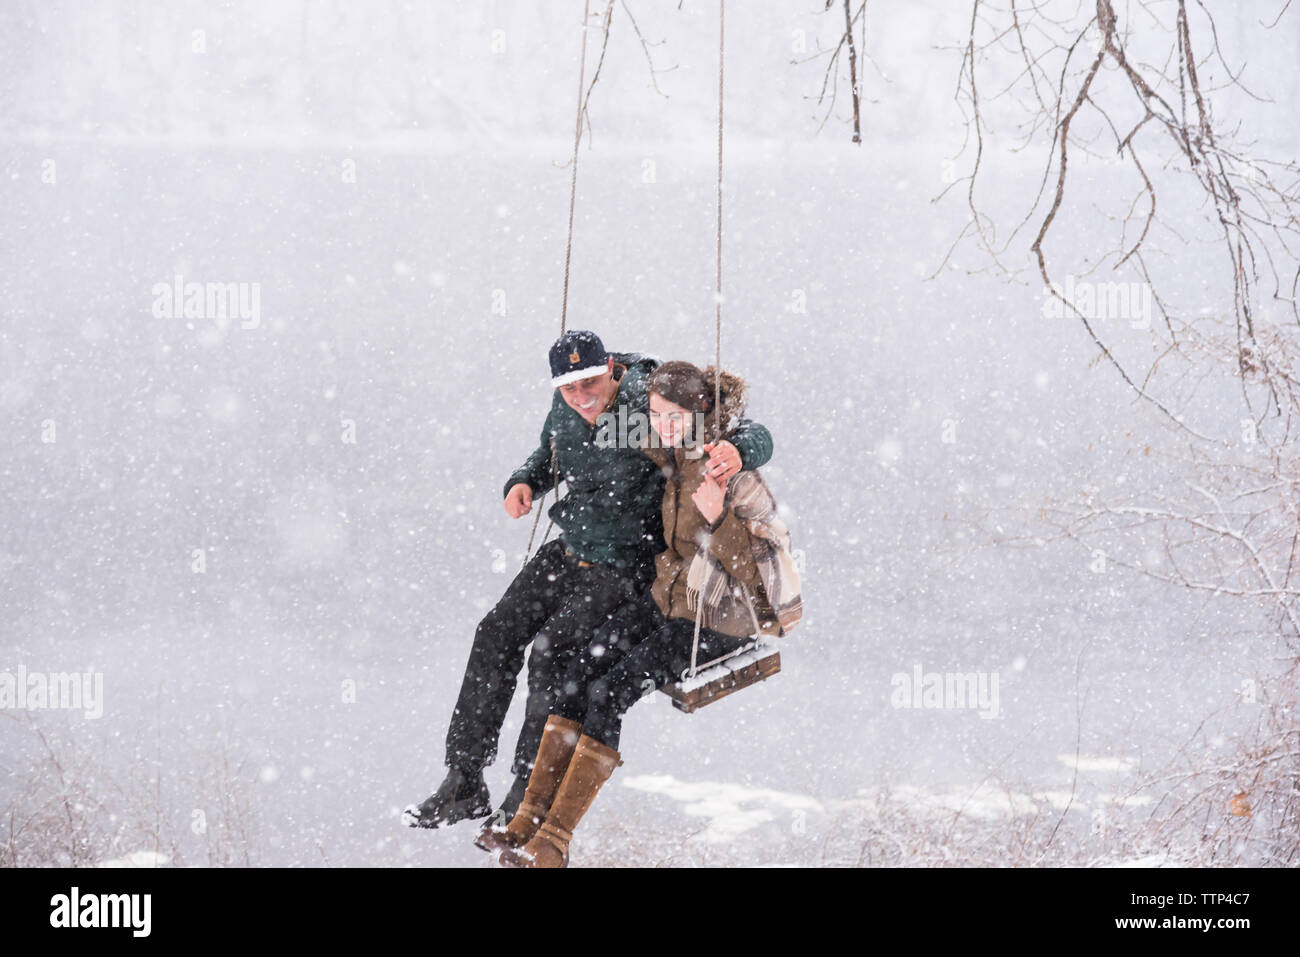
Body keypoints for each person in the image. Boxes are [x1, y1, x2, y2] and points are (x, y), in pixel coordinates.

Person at [403, 334, 775, 830]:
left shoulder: (649, 396)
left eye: (590, 382)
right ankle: (464, 779)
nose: (581, 396)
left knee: (552, 649)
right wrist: (523, 483)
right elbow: (546, 455)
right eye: (568, 388)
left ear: (611, 369)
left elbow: (751, 430)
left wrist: (738, 449)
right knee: (494, 633)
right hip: (571, 546)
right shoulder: (564, 410)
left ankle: (527, 786)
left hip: (626, 561)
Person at [485, 360, 801, 867]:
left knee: (608, 692)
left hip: (721, 618)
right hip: (670, 597)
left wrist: (720, 511)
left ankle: (555, 841)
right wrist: (530, 475)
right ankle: (527, 818)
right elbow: (585, 429)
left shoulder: (732, 474)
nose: (662, 425)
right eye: (654, 414)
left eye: (674, 416)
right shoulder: (668, 452)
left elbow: (757, 571)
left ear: (700, 413)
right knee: (575, 673)